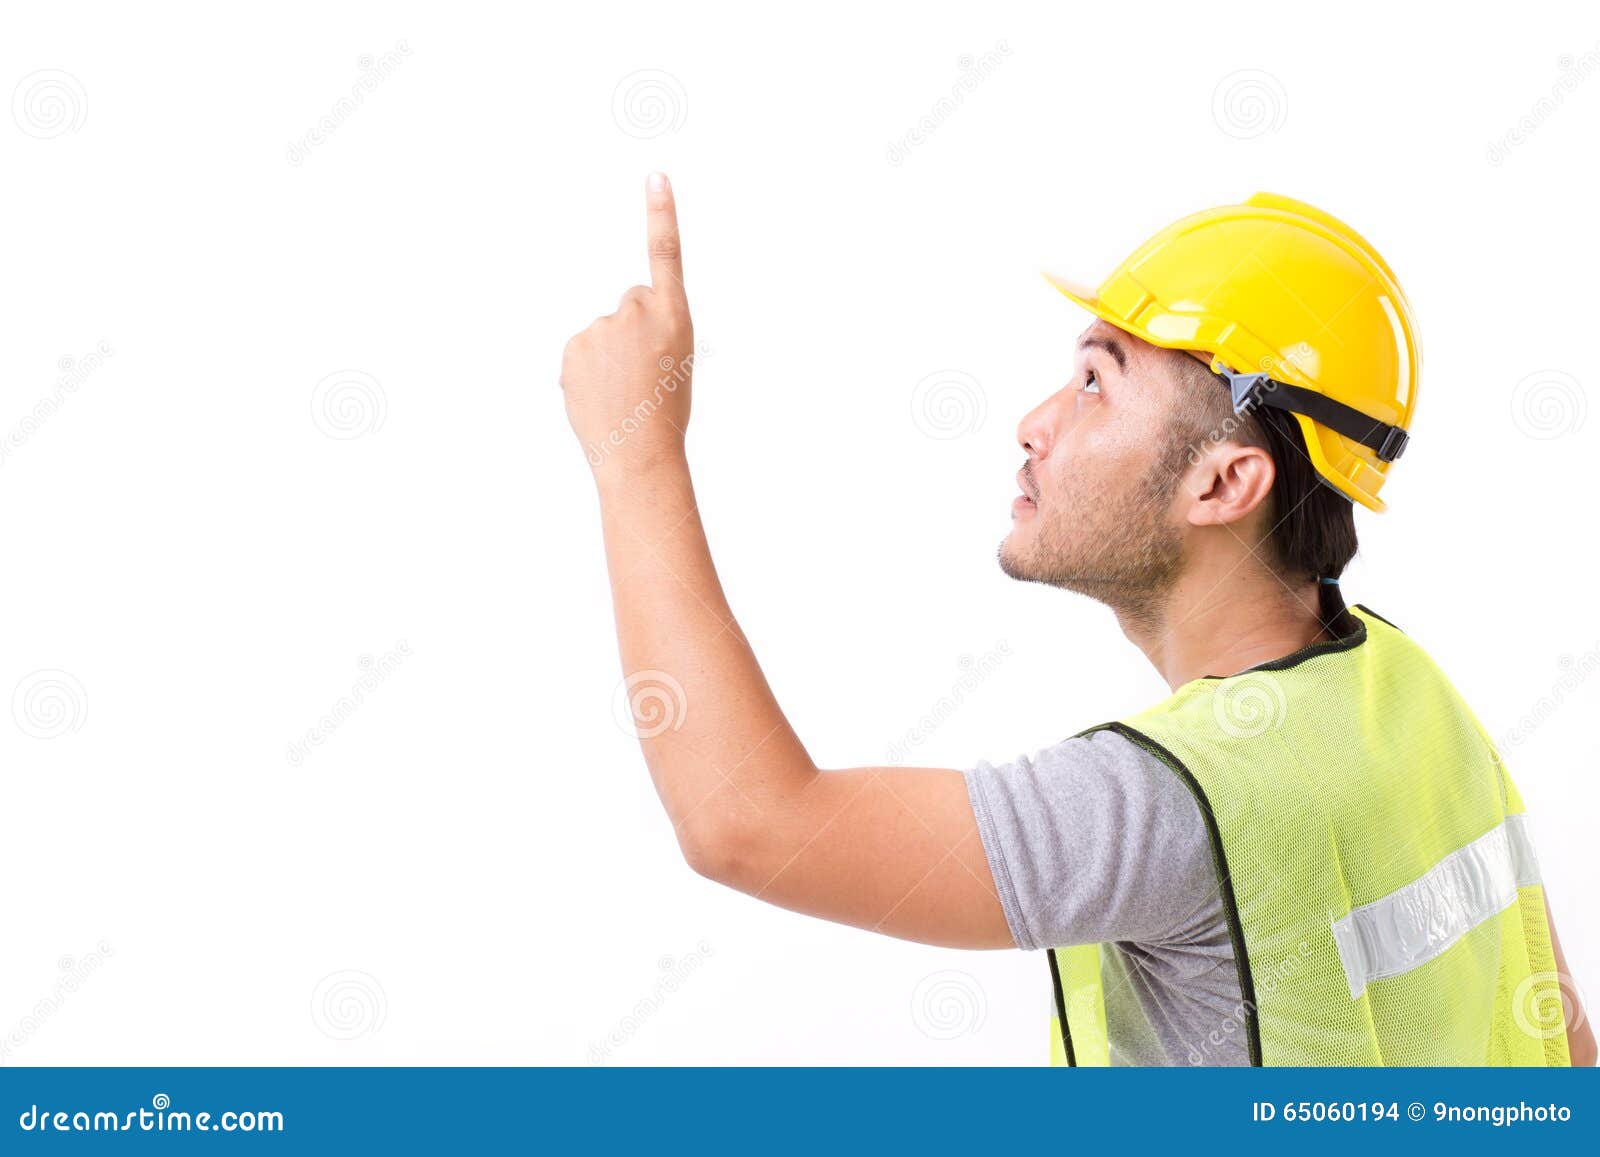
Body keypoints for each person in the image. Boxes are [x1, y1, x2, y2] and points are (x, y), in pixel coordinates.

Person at [559, 174, 1594, 1066]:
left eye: (1099, 381)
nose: (1034, 423)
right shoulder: (1405, 686)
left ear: (1225, 482)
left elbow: (751, 823)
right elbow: (1563, 1044)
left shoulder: (1173, 802)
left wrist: (632, 449)